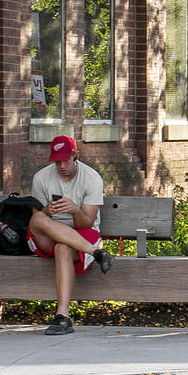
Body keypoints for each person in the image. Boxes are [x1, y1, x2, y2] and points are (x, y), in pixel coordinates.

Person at [26, 135, 115, 335]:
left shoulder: (91, 178)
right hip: (50, 231)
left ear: (76, 156)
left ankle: (62, 317)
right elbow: (35, 220)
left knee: (63, 247)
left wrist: (75, 210)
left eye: (66, 160)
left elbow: (88, 222)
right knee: (39, 219)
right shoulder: (41, 178)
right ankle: (98, 253)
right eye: (57, 161)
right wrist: (47, 210)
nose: (62, 165)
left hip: (80, 234)